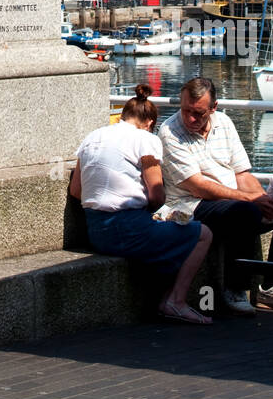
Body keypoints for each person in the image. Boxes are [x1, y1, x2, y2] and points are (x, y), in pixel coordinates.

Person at [159, 77, 273, 315]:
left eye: (198, 113)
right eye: (186, 110)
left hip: (232, 198)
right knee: (244, 211)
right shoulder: (169, 132)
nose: (190, 119)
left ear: (213, 108)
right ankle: (235, 287)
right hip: (192, 204)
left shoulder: (225, 123)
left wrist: (266, 200)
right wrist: (252, 200)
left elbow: (242, 173)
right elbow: (197, 186)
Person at [70, 85, 214, 325]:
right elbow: (157, 195)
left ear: (124, 115)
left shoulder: (91, 137)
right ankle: (175, 302)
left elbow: (76, 191)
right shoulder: (146, 139)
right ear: (149, 123)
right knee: (203, 234)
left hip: (95, 230)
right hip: (127, 229)